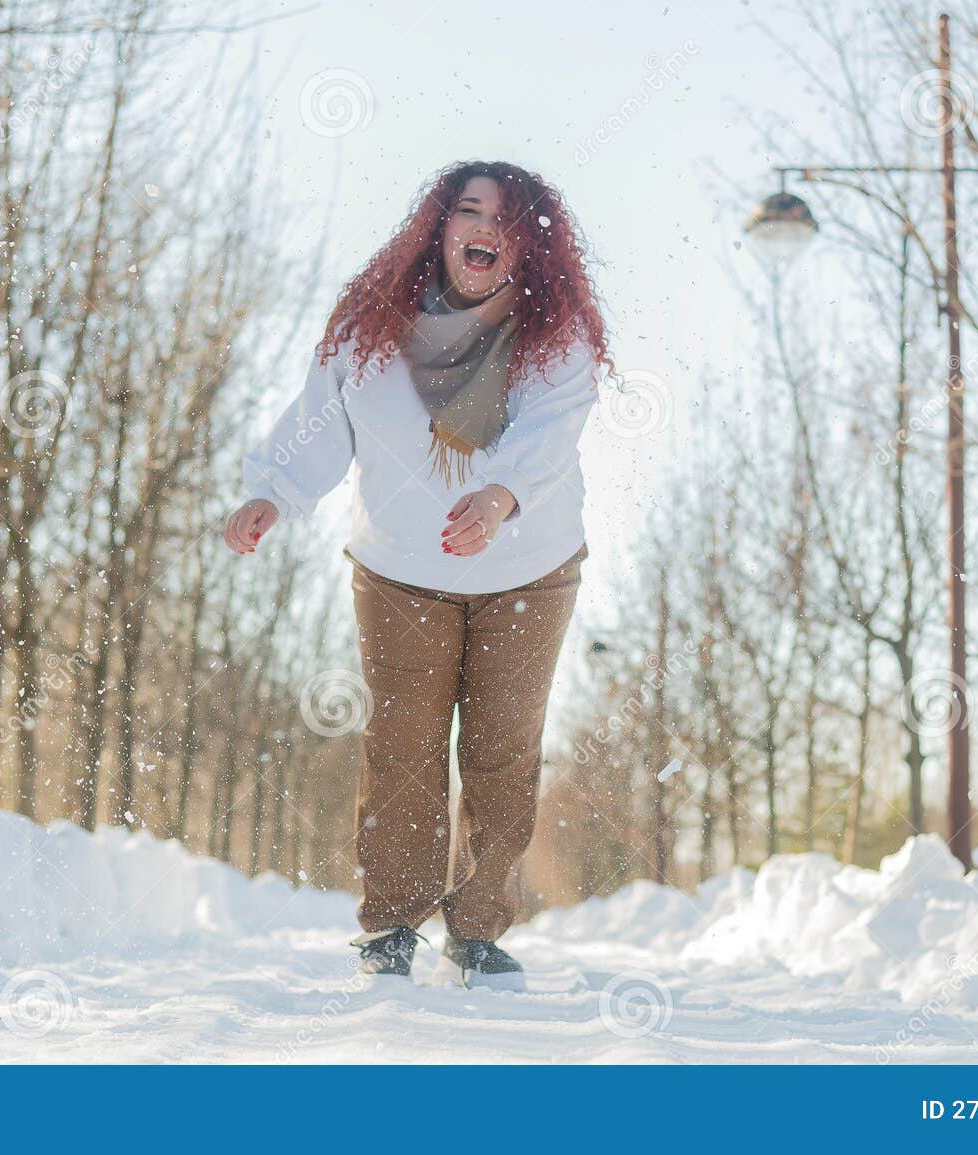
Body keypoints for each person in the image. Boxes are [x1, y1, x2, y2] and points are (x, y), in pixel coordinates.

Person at [224, 160, 611, 989]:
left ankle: (475, 930)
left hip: (528, 567)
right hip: (400, 567)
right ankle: (393, 921)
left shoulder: (558, 329)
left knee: (502, 751)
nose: (485, 229)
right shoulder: (371, 325)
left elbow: (551, 429)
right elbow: (319, 422)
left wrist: (499, 494)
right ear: (439, 228)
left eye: (507, 220)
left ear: (529, 246)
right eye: (468, 211)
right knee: (402, 746)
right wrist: (274, 493)